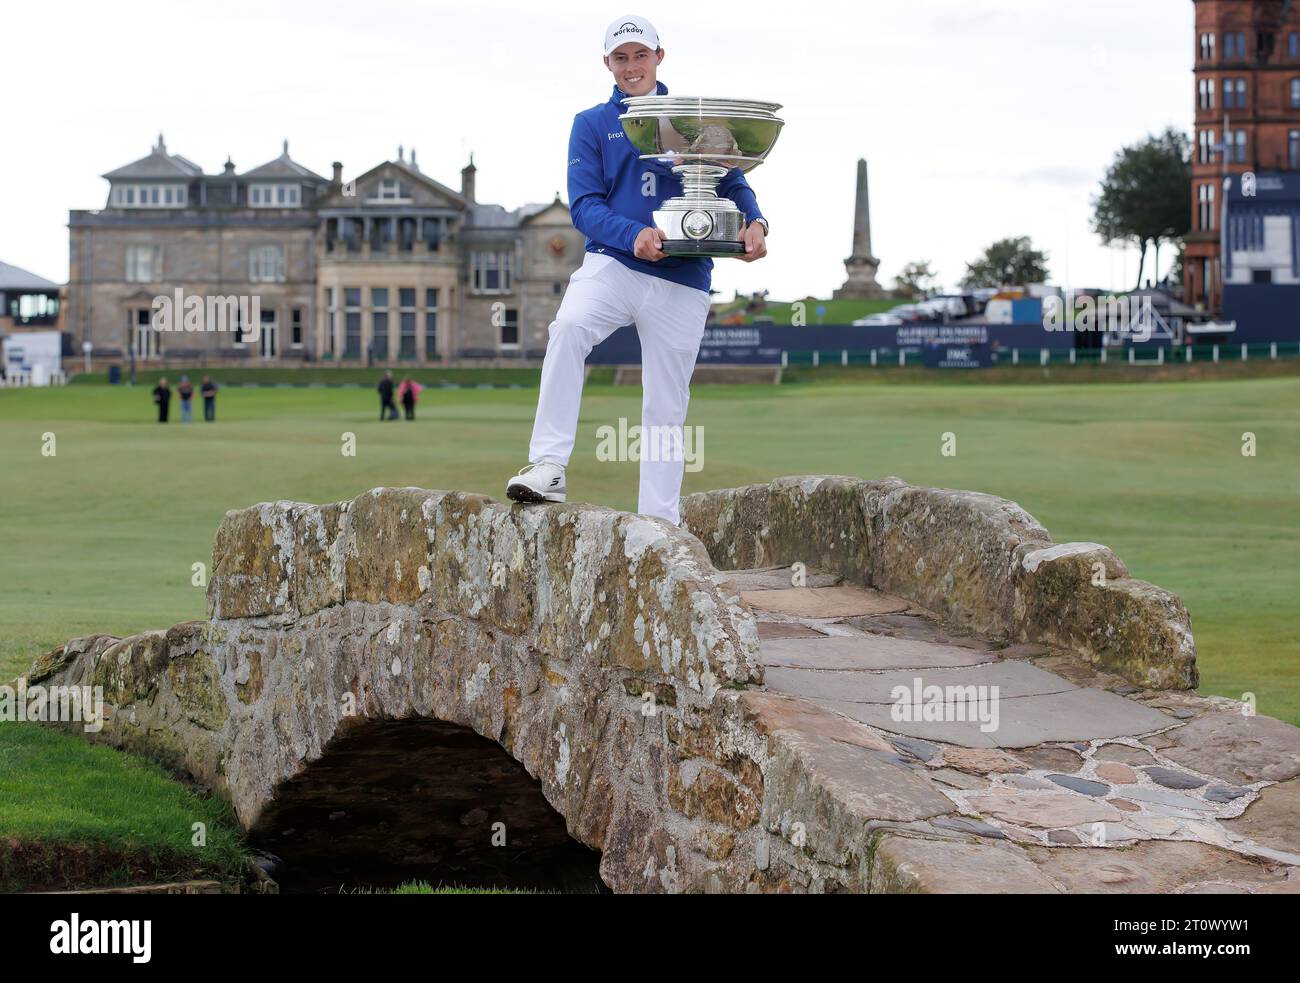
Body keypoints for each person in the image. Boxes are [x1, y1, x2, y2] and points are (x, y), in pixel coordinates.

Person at [504, 14, 767, 525]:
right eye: (620, 57)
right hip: (615, 264)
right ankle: (549, 465)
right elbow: (584, 207)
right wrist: (633, 235)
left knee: (667, 404)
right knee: (570, 327)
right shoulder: (592, 123)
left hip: (685, 277)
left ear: (659, 57)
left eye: (640, 55)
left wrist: (755, 221)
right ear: (607, 63)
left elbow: (732, 181)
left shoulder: (692, 119)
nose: (631, 66)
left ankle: (660, 524)